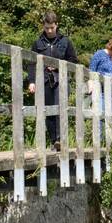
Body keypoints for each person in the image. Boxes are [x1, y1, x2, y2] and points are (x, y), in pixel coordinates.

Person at [27, 12, 77, 149]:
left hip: (61, 79)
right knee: (48, 111)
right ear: (43, 26)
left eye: (52, 28)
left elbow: (73, 60)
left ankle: (61, 139)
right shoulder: (37, 43)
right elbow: (31, 63)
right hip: (43, 80)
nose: (49, 31)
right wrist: (31, 81)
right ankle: (54, 140)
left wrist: (58, 67)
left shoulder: (65, 42)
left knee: (60, 108)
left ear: (57, 25)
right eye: (47, 28)